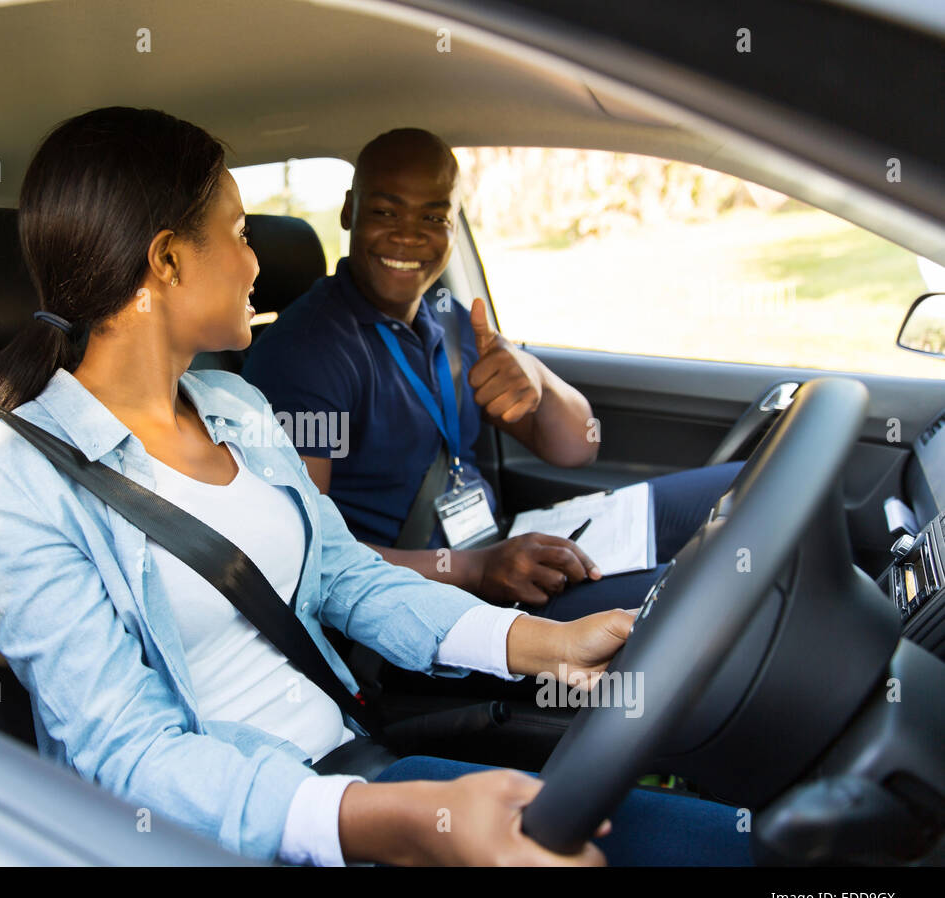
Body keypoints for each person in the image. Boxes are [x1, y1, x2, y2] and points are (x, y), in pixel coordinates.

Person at [0, 107, 751, 866]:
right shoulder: (12, 485)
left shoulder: (236, 407)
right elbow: (129, 757)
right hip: (257, 832)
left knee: (736, 849)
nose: (259, 262)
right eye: (240, 233)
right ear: (167, 259)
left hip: (361, 769)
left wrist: (542, 643)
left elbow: (347, 576)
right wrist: (396, 821)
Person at [242, 128, 742, 620]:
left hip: (492, 553)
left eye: (433, 215)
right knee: (701, 595)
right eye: (385, 211)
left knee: (743, 489)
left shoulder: (448, 317)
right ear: (349, 209)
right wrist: (474, 570)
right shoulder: (307, 353)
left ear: (455, 223)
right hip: (419, 611)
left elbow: (576, 447)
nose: (408, 234)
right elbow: (310, 557)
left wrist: (538, 380)